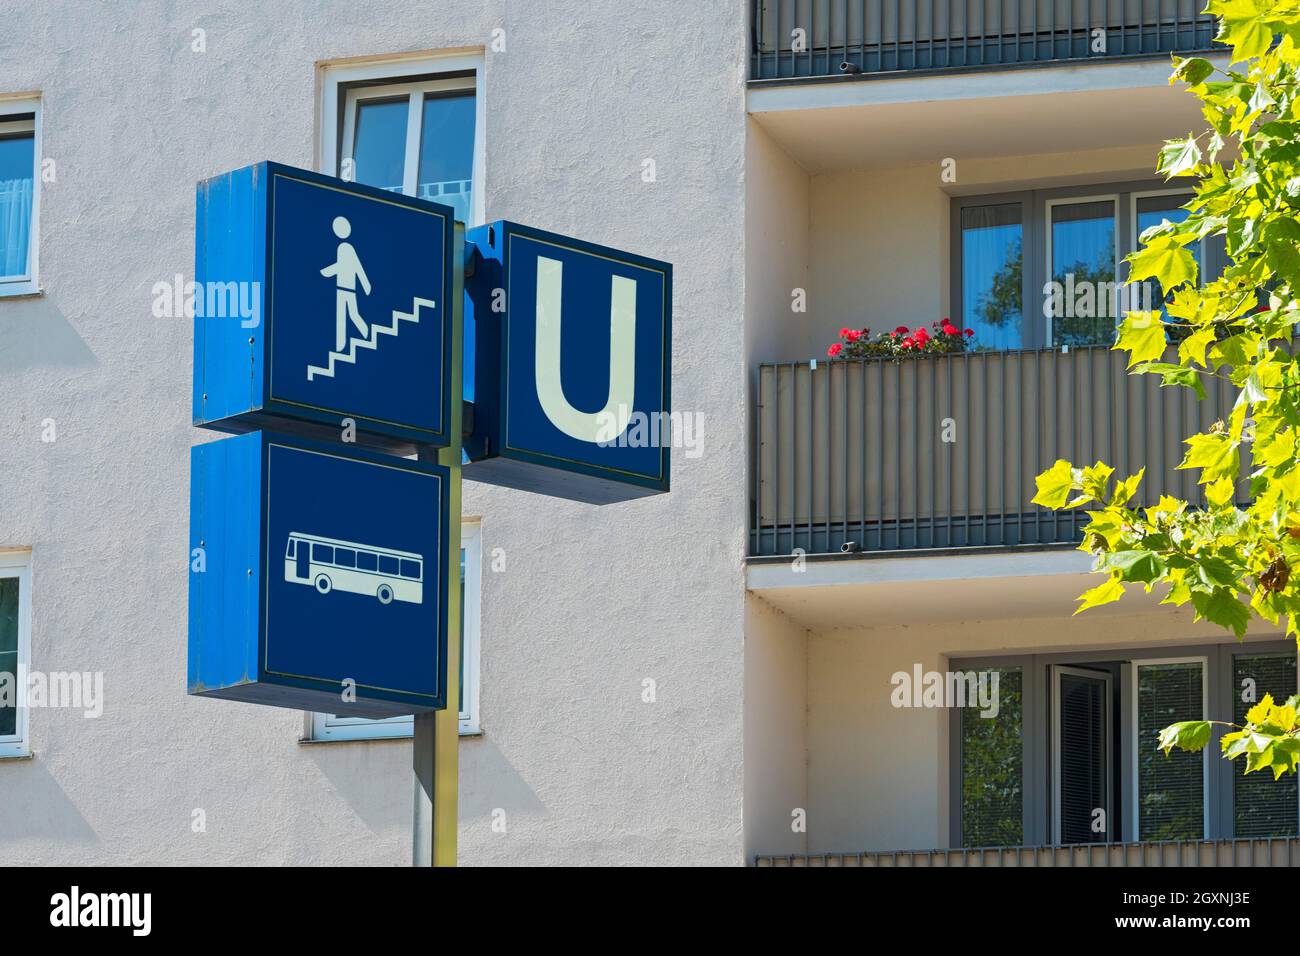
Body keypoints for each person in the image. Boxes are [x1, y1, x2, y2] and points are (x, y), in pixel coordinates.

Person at [320, 215, 370, 351]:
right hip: (340, 288)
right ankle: (340, 346)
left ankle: (366, 333)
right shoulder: (341, 247)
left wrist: (366, 284)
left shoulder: (346, 248)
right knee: (341, 318)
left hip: (348, 288)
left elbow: (355, 266)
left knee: (353, 314)